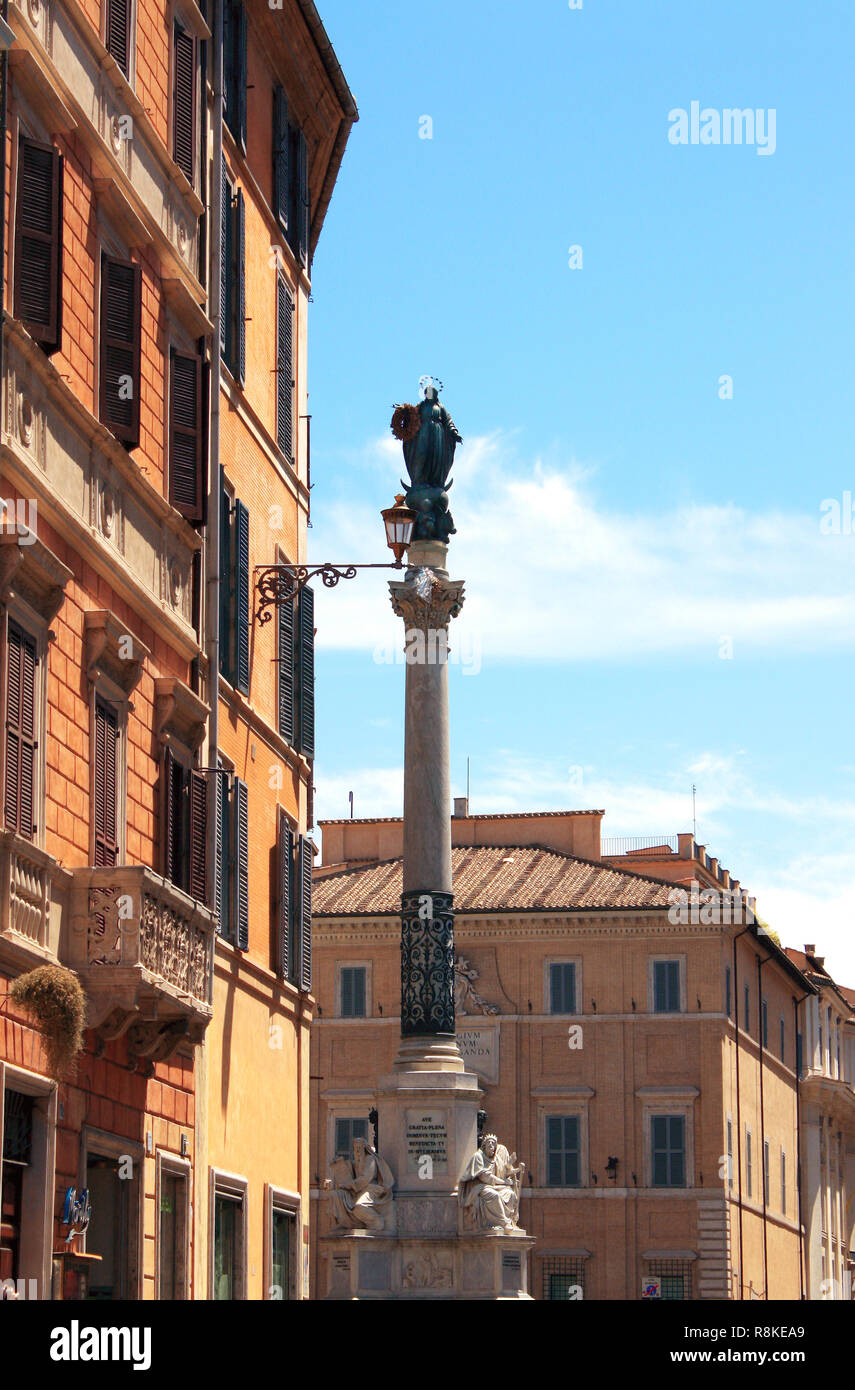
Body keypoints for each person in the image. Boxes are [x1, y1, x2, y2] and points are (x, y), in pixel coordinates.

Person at [325, 1136, 394, 1232]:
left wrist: (349, 1185)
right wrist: (338, 1166)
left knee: (359, 1206)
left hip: (371, 1189)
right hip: (357, 1190)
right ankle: (346, 1222)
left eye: (359, 1148)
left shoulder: (370, 1160)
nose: (357, 1151)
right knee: (335, 1195)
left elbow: (365, 1179)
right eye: (355, 1148)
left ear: (364, 1149)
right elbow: (347, 1175)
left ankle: (376, 1221)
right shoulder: (355, 1162)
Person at [458, 1134, 524, 1231]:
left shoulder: (496, 1158)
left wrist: (517, 1169)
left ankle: (509, 1222)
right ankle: (504, 1223)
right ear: (484, 1145)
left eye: (493, 1143)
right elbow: (485, 1177)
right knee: (495, 1196)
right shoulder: (478, 1156)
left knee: (510, 1194)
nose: (491, 1145)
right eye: (489, 1143)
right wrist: (504, 1182)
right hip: (482, 1186)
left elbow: (504, 1173)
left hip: (495, 1186)